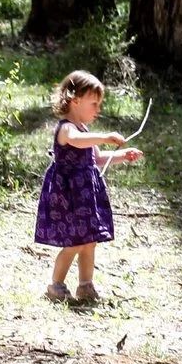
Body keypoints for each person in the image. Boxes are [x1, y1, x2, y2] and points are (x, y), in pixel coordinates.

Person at [35, 70, 141, 305]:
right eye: (94, 103)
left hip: (86, 193)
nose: (97, 109)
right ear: (75, 101)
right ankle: (56, 284)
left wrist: (124, 155)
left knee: (89, 239)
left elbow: (98, 158)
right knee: (74, 241)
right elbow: (75, 141)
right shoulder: (67, 128)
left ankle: (85, 285)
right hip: (69, 193)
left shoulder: (84, 130)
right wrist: (104, 136)